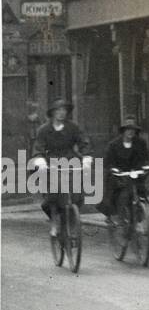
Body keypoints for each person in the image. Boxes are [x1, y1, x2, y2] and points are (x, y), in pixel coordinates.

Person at [31, 98, 92, 237]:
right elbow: (38, 147)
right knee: (53, 194)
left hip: (71, 160)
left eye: (64, 110)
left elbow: (83, 141)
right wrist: (40, 160)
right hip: (52, 162)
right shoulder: (44, 130)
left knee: (76, 193)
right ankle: (54, 221)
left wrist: (86, 156)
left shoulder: (73, 127)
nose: (61, 113)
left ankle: (72, 221)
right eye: (58, 110)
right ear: (52, 113)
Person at [98, 117, 149, 222]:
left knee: (141, 189)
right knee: (118, 192)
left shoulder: (140, 143)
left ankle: (139, 210)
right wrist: (114, 169)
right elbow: (108, 162)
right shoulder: (113, 145)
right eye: (128, 129)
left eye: (133, 130)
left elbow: (145, 158)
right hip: (119, 175)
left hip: (135, 173)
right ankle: (115, 214)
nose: (131, 132)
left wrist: (146, 166)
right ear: (123, 131)